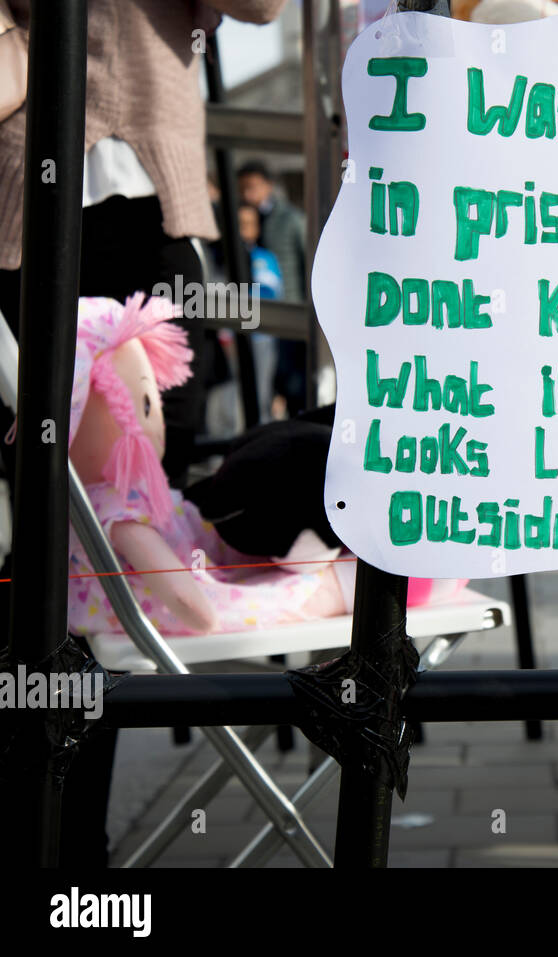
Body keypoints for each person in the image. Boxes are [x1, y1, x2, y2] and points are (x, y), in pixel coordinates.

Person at [0, 0, 290, 869]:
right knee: (39, 531)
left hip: (157, 211)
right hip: (26, 201)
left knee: (135, 506)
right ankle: (43, 823)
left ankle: (75, 835)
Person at [237, 160, 308, 414]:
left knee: (293, 382)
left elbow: (306, 261)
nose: (248, 194)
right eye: (242, 188)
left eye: (253, 187)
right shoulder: (242, 217)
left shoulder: (291, 219)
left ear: (269, 185)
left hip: (290, 310)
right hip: (257, 314)